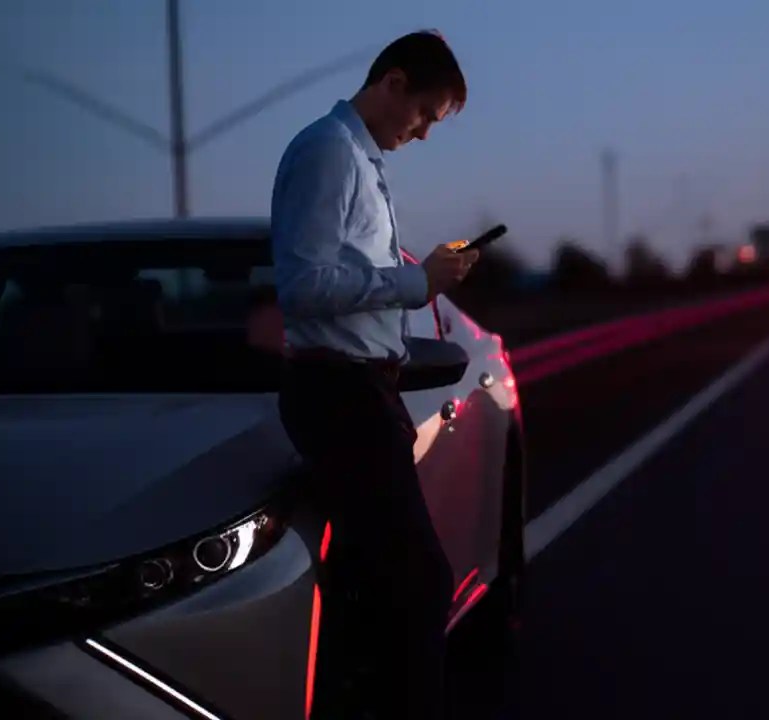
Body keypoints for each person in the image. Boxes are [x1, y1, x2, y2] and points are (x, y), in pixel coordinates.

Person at [269, 30, 478, 719]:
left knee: (370, 588)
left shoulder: (357, 158)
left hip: (359, 392)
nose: (421, 135)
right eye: (425, 115)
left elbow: (348, 279)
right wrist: (416, 283)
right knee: (421, 581)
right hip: (337, 395)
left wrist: (418, 284)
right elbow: (302, 287)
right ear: (393, 84)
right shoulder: (330, 153)